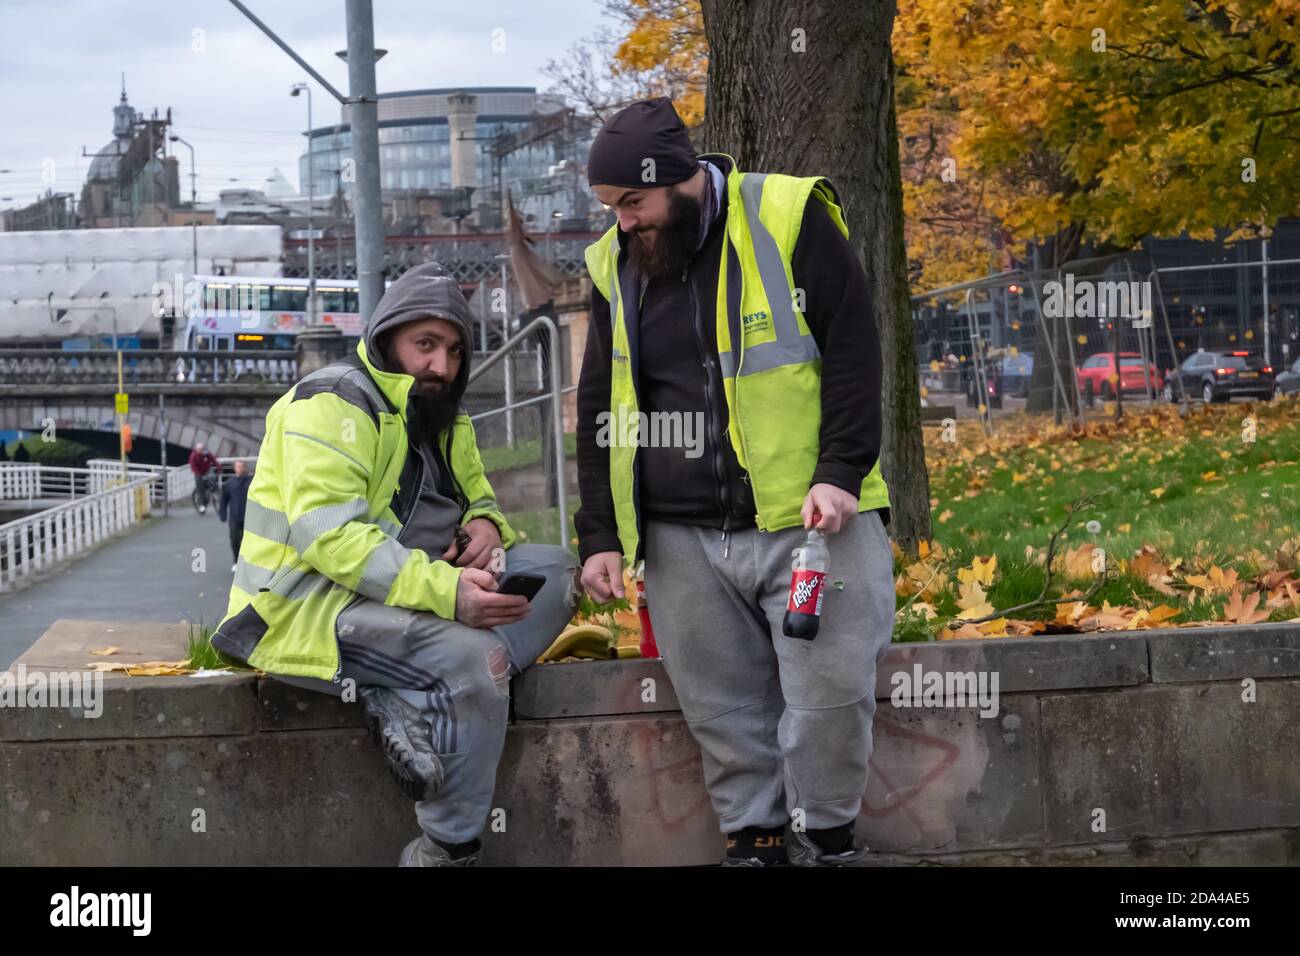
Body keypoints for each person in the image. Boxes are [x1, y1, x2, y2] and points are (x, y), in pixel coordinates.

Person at [575, 98, 895, 867]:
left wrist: (841, 472)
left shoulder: (784, 216)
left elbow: (852, 347)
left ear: (681, 181)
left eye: (633, 204)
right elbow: (600, 403)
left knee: (830, 699)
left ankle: (825, 841)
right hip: (682, 534)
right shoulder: (612, 266)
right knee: (723, 712)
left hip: (811, 521)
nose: (623, 223)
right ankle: (753, 844)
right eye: (612, 208)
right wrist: (600, 534)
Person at [211, 263, 581, 867]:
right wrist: (451, 594)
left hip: (410, 595)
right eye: (426, 346)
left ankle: (405, 692)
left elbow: (478, 500)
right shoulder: (330, 402)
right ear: (388, 340)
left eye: (455, 350)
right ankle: (445, 848)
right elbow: (332, 539)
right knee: (475, 659)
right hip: (305, 610)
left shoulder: (443, 414)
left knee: (558, 574)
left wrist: (486, 529)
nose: (442, 365)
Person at [217, 459, 252, 572]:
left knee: (249, 540)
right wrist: (222, 514)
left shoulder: (252, 481)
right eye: (238, 466)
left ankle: (249, 561)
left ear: (246, 468)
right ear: (235, 468)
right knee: (234, 539)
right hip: (234, 516)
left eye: (242, 466)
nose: (240, 469)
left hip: (249, 515)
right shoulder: (230, 483)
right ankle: (236, 561)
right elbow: (224, 500)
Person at [188, 443, 218, 512]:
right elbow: (193, 467)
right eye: (199, 449)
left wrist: (218, 467)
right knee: (200, 487)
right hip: (198, 472)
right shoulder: (193, 456)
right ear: (196, 449)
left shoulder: (206, 453)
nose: (201, 450)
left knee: (213, 477)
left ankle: (214, 490)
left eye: (202, 449)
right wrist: (198, 474)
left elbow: (213, 459)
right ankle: (201, 504)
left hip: (206, 470)